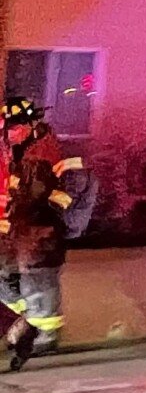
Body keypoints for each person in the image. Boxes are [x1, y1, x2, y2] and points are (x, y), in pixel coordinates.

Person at [1, 98, 95, 365]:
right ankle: (32, 320)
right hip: (22, 230)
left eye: (16, 126)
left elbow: (63, 186)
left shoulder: (45, 152)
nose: (10, 132)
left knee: (37, 279)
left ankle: (46, 333)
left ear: (32, 123)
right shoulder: (20, 152)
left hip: (43, 232)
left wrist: (46, 211)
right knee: (4, 273)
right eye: (7, 127)